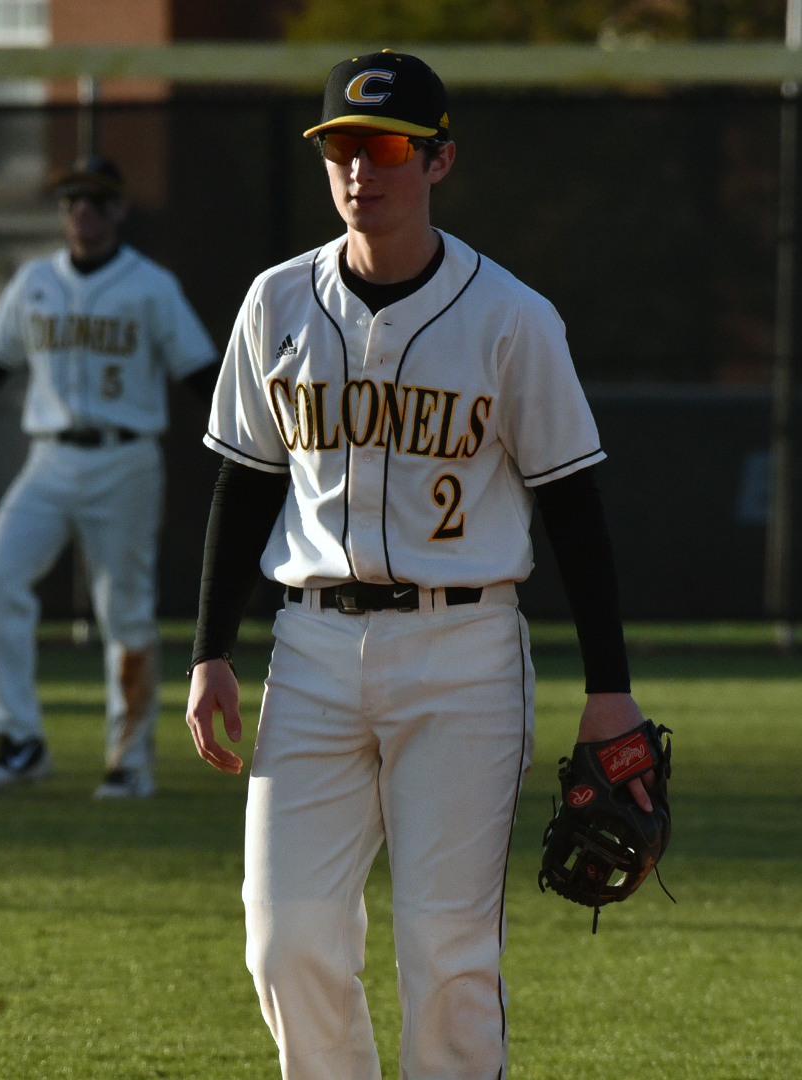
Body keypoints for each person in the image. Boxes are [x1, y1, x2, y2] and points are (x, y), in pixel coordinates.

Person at [183, 51, 655, 1079]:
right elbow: (246, 481)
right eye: (343, 148)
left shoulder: (511, 318)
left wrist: (610, 690)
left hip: (465, 648)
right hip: (308, 647)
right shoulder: (276, 303)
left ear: (439, 162)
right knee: (287, 940)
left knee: (446, 952)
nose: (364, 170)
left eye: (389, 147)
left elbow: (573, 504)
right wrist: (210, 651)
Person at [0, 155, 220, 800]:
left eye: (96, 199)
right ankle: (19, 742)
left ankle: (130, 762)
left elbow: (201, 372)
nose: (82, 210)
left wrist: (247, 443)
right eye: (72, 199)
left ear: (119, 210)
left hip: (126, 457)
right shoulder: (33, 282)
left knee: (124, 611)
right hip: (49, 457)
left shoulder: (150, 286)